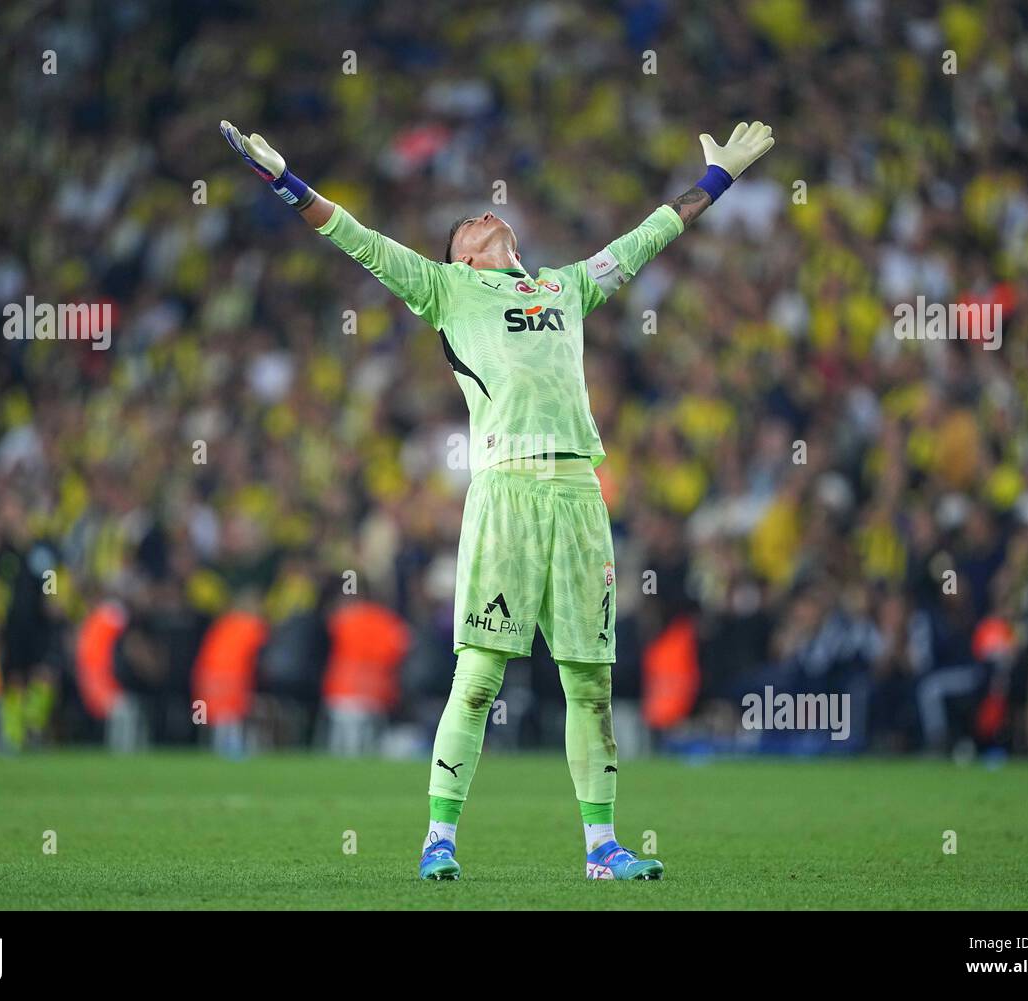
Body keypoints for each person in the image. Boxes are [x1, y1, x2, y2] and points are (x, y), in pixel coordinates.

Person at [221, 117, 774, 880]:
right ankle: (438, 837)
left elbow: (648, 238)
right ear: (460, 256)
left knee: (590, 682)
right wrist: (286, 182)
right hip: (507, 488)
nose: (483, 216)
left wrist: (718, 177)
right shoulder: (447, 290)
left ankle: (602, 848)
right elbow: (357, 239)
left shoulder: (568, 285)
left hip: (580, 490)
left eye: (484, 216)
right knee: (479, 676)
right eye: (467, 225)